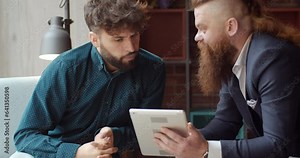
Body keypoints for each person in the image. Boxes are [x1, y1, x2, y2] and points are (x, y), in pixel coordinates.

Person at [12, 0, 165, 157]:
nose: (131, 47)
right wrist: (76, 153)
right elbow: (25, 136)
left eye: (134, 35)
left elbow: (145, 133)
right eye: (118, 39)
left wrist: (115, 134)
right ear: (94, 39)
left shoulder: (153, 69)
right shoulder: (66, 69)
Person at [154, 0, 300, 157]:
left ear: (230, 27)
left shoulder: (271, 58)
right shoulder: (231, 57)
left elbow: (277, 143)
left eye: (203, 28)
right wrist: (185, 141)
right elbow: (226, 123)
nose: (197, 37)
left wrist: (205, 151)